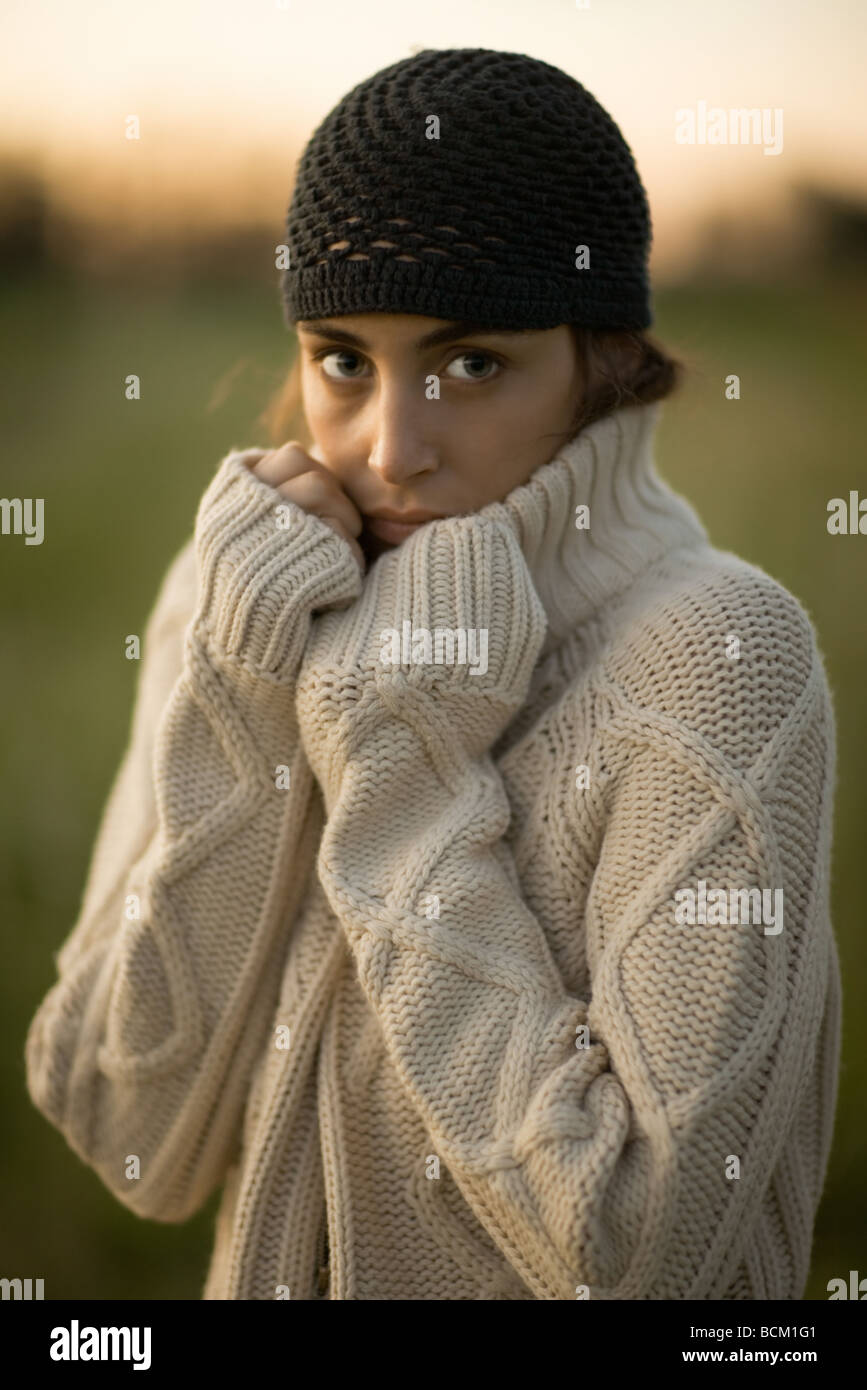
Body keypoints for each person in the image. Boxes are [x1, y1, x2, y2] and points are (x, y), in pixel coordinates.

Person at [25, 47, 841, 1300]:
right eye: (341, 360)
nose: (390, 449)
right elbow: (124, 1130)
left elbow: (637, 1260)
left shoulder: (721, 660)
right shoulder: (244, 590)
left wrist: (399, 771)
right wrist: (243, 697)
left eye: (471, 365)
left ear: (600, 352)